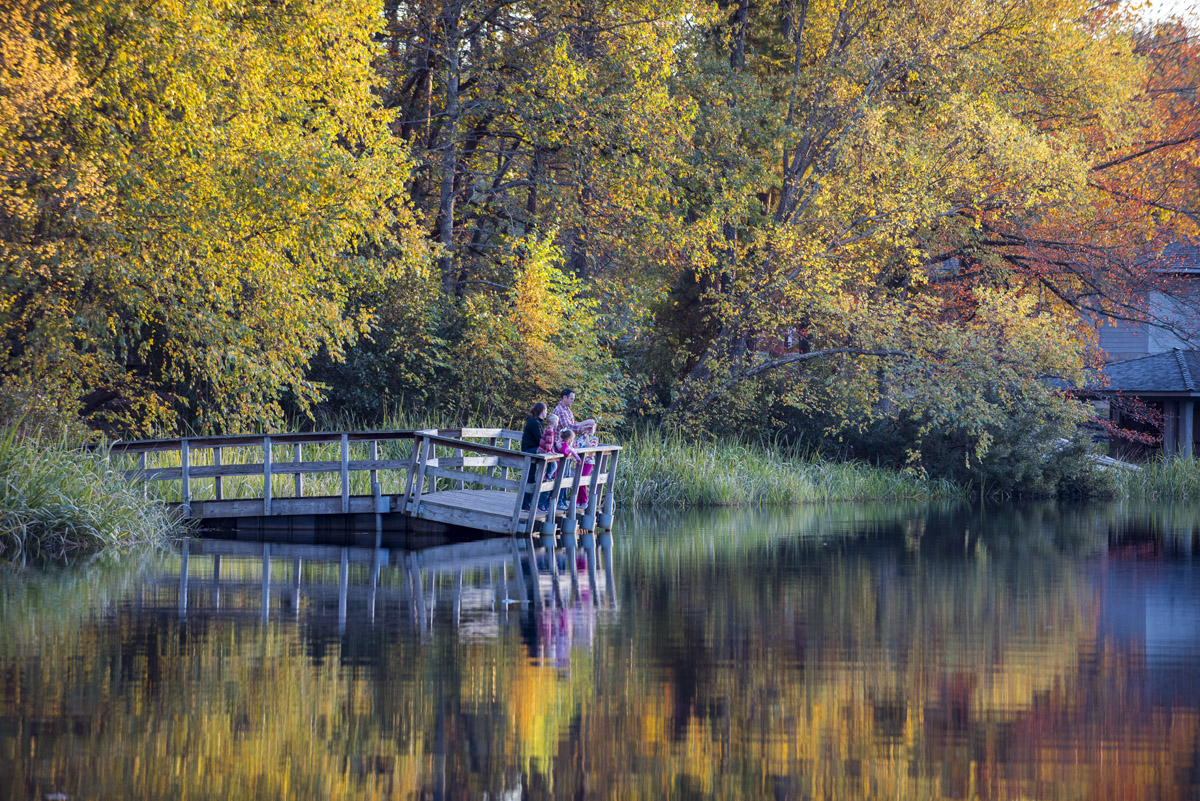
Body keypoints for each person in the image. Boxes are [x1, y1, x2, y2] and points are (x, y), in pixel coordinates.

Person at [520, 402, 547, 510]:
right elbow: (540, 439)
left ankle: (528, 503)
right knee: (530, 477)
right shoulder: (534, 423)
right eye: (546, 410)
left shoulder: (539, 423)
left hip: (534, 450)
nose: (546, 413)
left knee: (532, 477)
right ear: (542, 411)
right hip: (529, 450)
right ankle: (526, 504)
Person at [554, 429, 583, 510]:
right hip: (561, 468)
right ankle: (559, 502)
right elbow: (565, 453)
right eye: (572, 439)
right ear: (569, 439)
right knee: (562, 484)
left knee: (565, 484)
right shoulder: (564, 444)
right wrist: (570, 451)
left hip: (565, 468)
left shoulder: (564, 444)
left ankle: (563, 501)